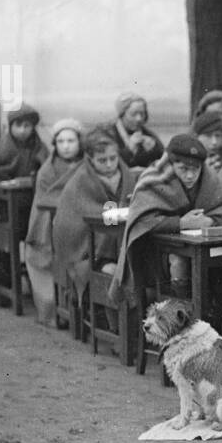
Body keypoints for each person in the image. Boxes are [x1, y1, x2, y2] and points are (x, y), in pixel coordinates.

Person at [108, 134, 222, 316]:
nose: (190, 175)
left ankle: (214, 318)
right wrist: (181, 223)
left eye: (196, 169)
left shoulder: (208, 178)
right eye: (183, 169)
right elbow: (140, 221)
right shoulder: (152, 180)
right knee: (179, 262)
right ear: (171, 163)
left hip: (198, 250)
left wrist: (210, 221)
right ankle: (183, 314)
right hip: (155, 257)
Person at [52, 130, 139, 311]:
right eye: (102, 160)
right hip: (90, 252)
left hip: (121, 245)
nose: (109, 164)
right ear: (90, 159)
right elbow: (71, 221)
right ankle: (117, 323)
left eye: (113, 158)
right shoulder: (80, 180)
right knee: (116, 271)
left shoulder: (127, 175)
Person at [0, 104, 48, 304]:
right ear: (10, 127)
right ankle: (6, 286)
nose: (24, 130)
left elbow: (47, 172)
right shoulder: (1, 147)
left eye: (28, 126)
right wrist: (7, 180)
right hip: (2, 212)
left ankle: (41, 287)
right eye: (19, 125)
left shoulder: (39, 147)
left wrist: (32, 180)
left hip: (31, 210)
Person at [24, 118, 84, 326]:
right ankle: (57, 312)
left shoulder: (87, 165)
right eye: (61, 141)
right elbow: (48, 201)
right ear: (55, 145)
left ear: (80, 142)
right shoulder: (47, 171)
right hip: (47, 228)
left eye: (71, 140)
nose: (66, 146)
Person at [104, 92, 165, 170]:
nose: (139, 118)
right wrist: (129, 150)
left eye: (142, 114)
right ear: (122, 115)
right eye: (133, 114)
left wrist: (154, 149)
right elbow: (105, 164)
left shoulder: (149, 135)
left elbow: (164, 161)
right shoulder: (106, 134)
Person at [192, 109, 222, 174]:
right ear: (197, 137)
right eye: (208, 136)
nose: (214, 142)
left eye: (218, 135)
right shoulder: (185, 160)